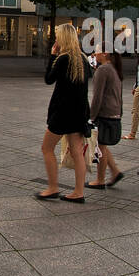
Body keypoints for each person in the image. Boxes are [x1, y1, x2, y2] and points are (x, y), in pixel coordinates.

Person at [38, 23, 92, 202]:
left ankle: (53, 188)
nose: (55, 40)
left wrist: (52, 55)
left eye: (57, 36)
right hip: (78, 113)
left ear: (63, 39)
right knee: (78, 153)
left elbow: (48, 79)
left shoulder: (63, 59)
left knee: (47, 148)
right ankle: (78, 192)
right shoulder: (82, 59)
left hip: (62, 113)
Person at [86, 41, 127, 191]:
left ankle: (100, 180)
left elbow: (98, 97)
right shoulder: (114, 68)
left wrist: (91, 116)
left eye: (96, 52)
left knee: (101, 147)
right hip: (114, 112)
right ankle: (115, 172)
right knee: (102, 146)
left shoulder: (103, 70)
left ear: (104, 54)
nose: (94, 54)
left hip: (104, 113)